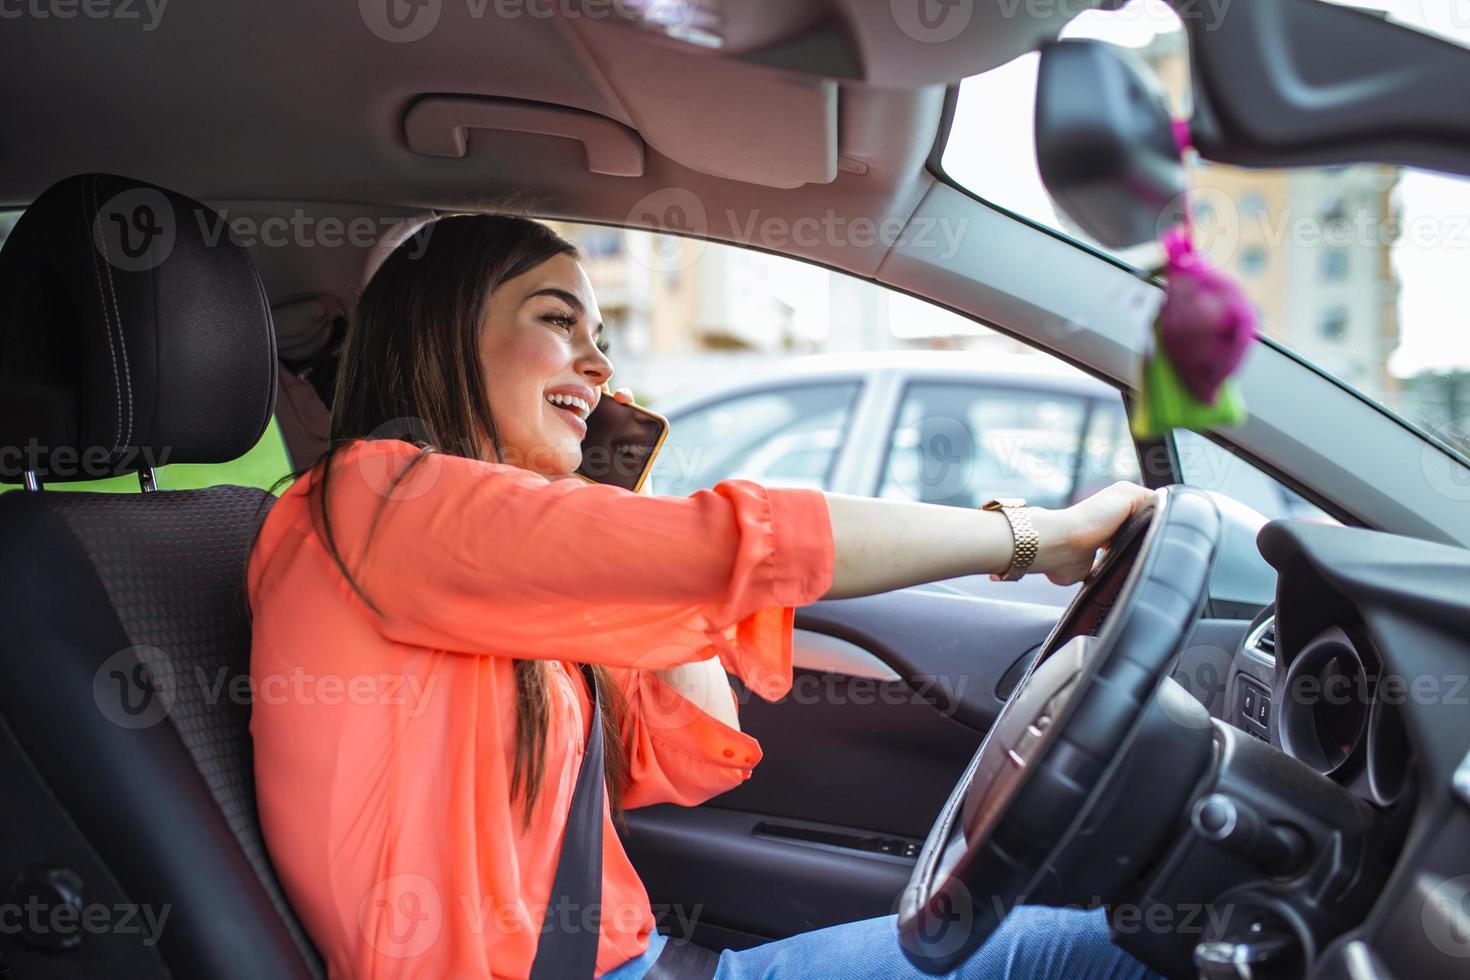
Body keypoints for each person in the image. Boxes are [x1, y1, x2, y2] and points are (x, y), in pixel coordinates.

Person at [246, 214, 1162, 980]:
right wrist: (1039, 536)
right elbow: (747, 541)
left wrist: (618, 508)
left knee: (1114, 942)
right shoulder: (379, 499)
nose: (598, 366)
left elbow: (679, 752)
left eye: (600, 339)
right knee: (1110, 953)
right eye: (559, 321)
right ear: (440, 332)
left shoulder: (483, 561)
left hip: (640, 962)